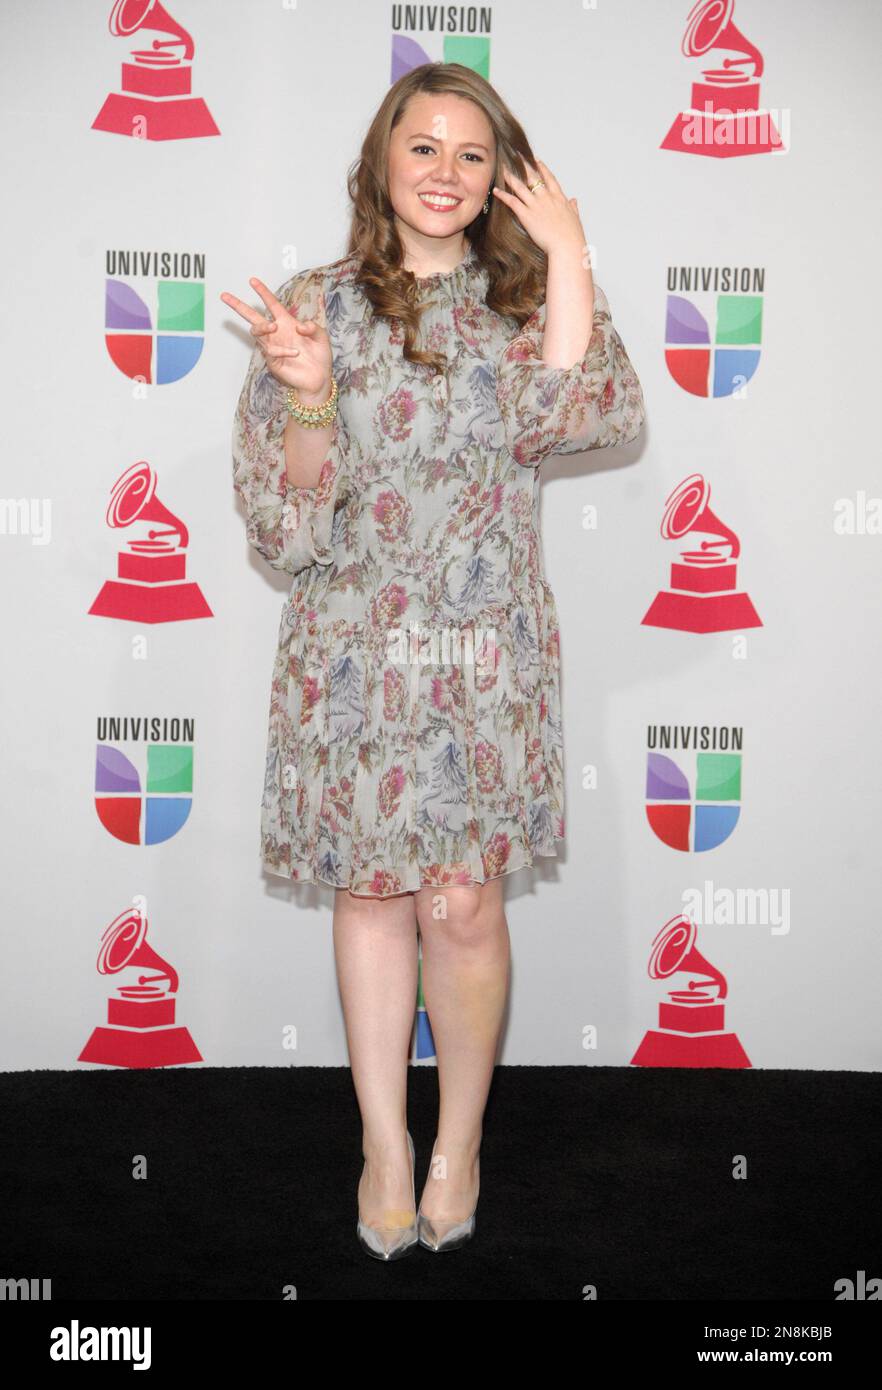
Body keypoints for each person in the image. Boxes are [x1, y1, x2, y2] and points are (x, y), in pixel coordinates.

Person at [221, 62, 645, 1260]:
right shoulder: (321, 303)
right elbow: (287, 528)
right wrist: (308, 399)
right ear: (380, 160)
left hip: (481, 656)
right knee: (369, 893)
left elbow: (584, 415)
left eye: (472, 153)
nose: (445, 173)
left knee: (462, 907)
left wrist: (569, 252)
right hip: (351, 649)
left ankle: (457, 1138)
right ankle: (384, 1143)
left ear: (501, 177)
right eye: (424, 147)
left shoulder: (522, 308)